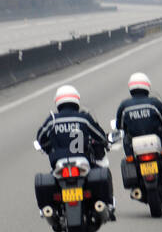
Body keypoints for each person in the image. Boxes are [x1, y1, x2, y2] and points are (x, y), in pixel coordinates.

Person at [35, 83, 115, 216]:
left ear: (58, 102)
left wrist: (49, 146)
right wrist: (105, 142)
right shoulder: (84, 118)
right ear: (76, 100)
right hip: (83, 160)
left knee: (51, 181)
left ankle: (50, 210)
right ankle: (107, 204)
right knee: (100, 174)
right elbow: (100, 135)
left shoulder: (52, 120)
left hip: (59, 163)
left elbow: (40, 138)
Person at [115, 71, 162, 191]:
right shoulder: (154, 103)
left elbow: (119, 126)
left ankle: (134, 176)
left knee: (126, 140)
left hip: (135, 144)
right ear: (147, 86)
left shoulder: (124, 105)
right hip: (155, 140)